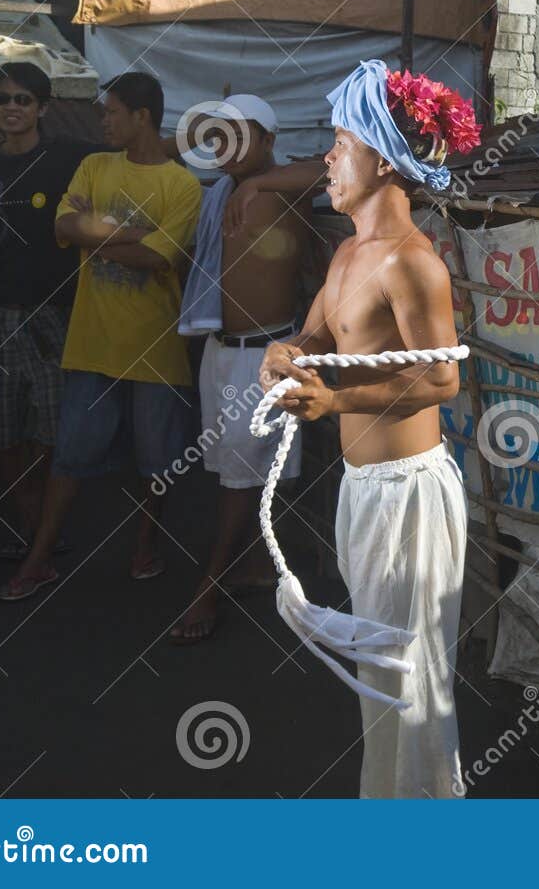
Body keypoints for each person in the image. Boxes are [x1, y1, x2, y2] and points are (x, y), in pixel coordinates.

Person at [260, 60, 471, 799]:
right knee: (383, 670)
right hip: (364, 491)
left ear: (383, 159)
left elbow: (444, 378)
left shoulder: (414, 263)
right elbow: (317, 337)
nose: (326, 157)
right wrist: (284, 356)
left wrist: (335, 404)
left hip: (410, 498)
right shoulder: (347, 253)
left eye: (340, 142)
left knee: (412, 676)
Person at [1, 72, 200, 602]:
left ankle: (144, 547)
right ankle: (39, 559)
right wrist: (133, 237)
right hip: (91, 345)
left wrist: (100, 235)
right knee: (70, 457)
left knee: (157, 465)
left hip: (157, 349)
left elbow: (161, 257)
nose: (103, 121)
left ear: (142, 117)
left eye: (111, 112)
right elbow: (64, 228)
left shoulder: (182, 184)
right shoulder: (94, 165)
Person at [169, 95, 309, 643]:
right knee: (237, 470)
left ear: (270, 139)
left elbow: (328, 163)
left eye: (240, 134)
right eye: (218, 135)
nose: (224, 146)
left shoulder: (286, 190)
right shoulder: (221, 191)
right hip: (221, 349)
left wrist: (260, 183)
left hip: (262, 356)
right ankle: (254, 565)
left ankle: (208, 586)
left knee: (235, 480)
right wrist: (246, 184)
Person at [0, 62, 99, 560]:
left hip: (50, 313)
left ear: (42, 108)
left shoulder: (69, 156)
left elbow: (134, 157)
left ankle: (45, 523)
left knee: (50, 427)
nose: (11, 107)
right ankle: (30, 513)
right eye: (3, 99)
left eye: (22, 100)